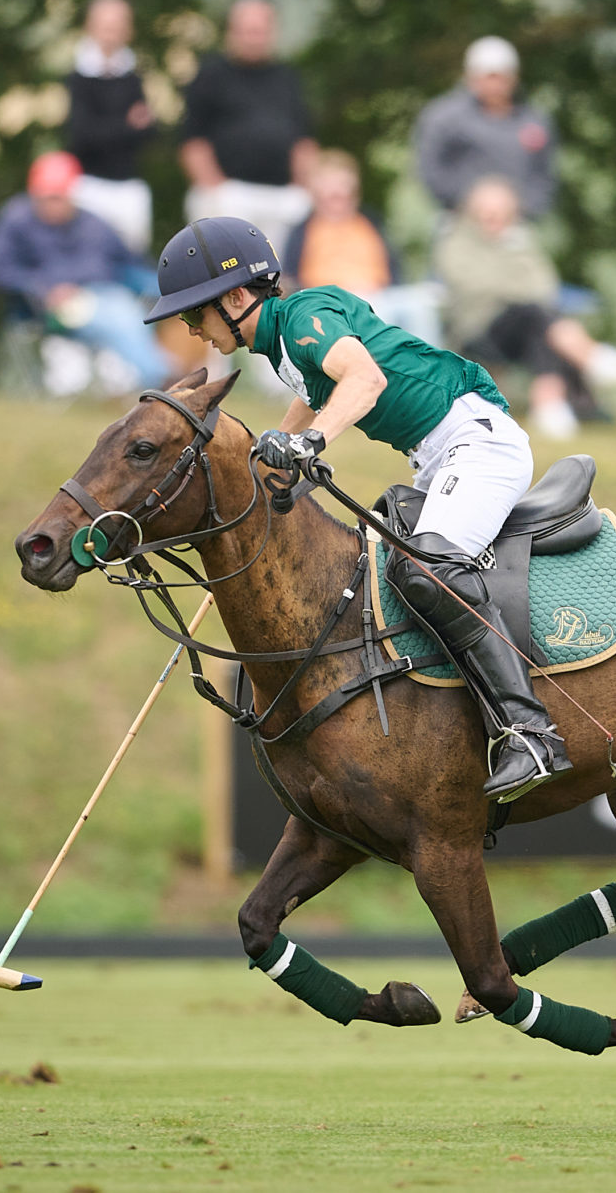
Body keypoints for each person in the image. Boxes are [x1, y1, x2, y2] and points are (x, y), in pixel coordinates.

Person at [145, 214, 573, 802]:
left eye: (197, 313)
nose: (193, 329)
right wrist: (269, 468)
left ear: (238, 296)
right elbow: (311, 394)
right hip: (441, 454)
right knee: (390, 570)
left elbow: (363, 380)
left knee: (427, 569)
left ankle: (530, 733)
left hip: (477, 444)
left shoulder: (301, 319)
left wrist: (308, 444)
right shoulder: (285, 339)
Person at [435, 176, 616, 438]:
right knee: (537, 317)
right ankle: (586, 358)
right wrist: (514, 281)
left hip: (525, 325)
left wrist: (507, 283)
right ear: (473, 211)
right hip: (478, 330)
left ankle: (550, 402)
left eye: (503, 214)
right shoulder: (455, 241)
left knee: (536, 322)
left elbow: (545, 285)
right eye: (488, 214)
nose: (495, 221)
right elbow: (472, 286)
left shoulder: (521, 239)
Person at [0, 151, 175, 394]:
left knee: (132, 311)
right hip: (47, 306)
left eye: (59, 197)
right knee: (122, 315)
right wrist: (41, 288)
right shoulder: (15, 221)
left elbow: (132, 262)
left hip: (106, 294)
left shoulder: (94, 223)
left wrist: (171, 288)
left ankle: (159, 377)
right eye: (46, 197)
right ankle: (164, 379)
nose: (53, 204)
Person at [181, 0, 318, 238]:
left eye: (260, 31)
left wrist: (303, 187)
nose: (254, 38)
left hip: (282, 195)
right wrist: (216, 190)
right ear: (231, 31)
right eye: (247, 31)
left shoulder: (286, 78)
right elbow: (193, 141)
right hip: (229, 192)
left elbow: (303, 141)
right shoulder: (210, 75)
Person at [282, 148, 440, 340]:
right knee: (377, 314)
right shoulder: (304, 231)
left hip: (382, 295)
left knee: (419, 306)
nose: (338, 191)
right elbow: (291, 280)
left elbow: (395, 269)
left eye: (343, 184)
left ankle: (429, 368)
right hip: (331, 304)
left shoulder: (370, 222)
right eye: (330, 186)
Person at [412, 34, 556, 220]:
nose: (495, 86)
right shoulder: (444, 118)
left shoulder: (534, 122)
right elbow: (429, 170)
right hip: (460, 220)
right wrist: (472, 201)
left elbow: (544, 176)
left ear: (514, 77)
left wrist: (523, 207)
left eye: (501, 77)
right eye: (489, 77)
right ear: (471, 77)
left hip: (518, 224)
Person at [62, 0, 158, 255]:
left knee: (133, 256)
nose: (111, 34)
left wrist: (114, 128)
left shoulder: (132, 77)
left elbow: (150, 131)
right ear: (90, 27)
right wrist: (127, 126)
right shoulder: (78, 78)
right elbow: (81, 136)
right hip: (88, 184)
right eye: (105, 26)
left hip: (128, 185)